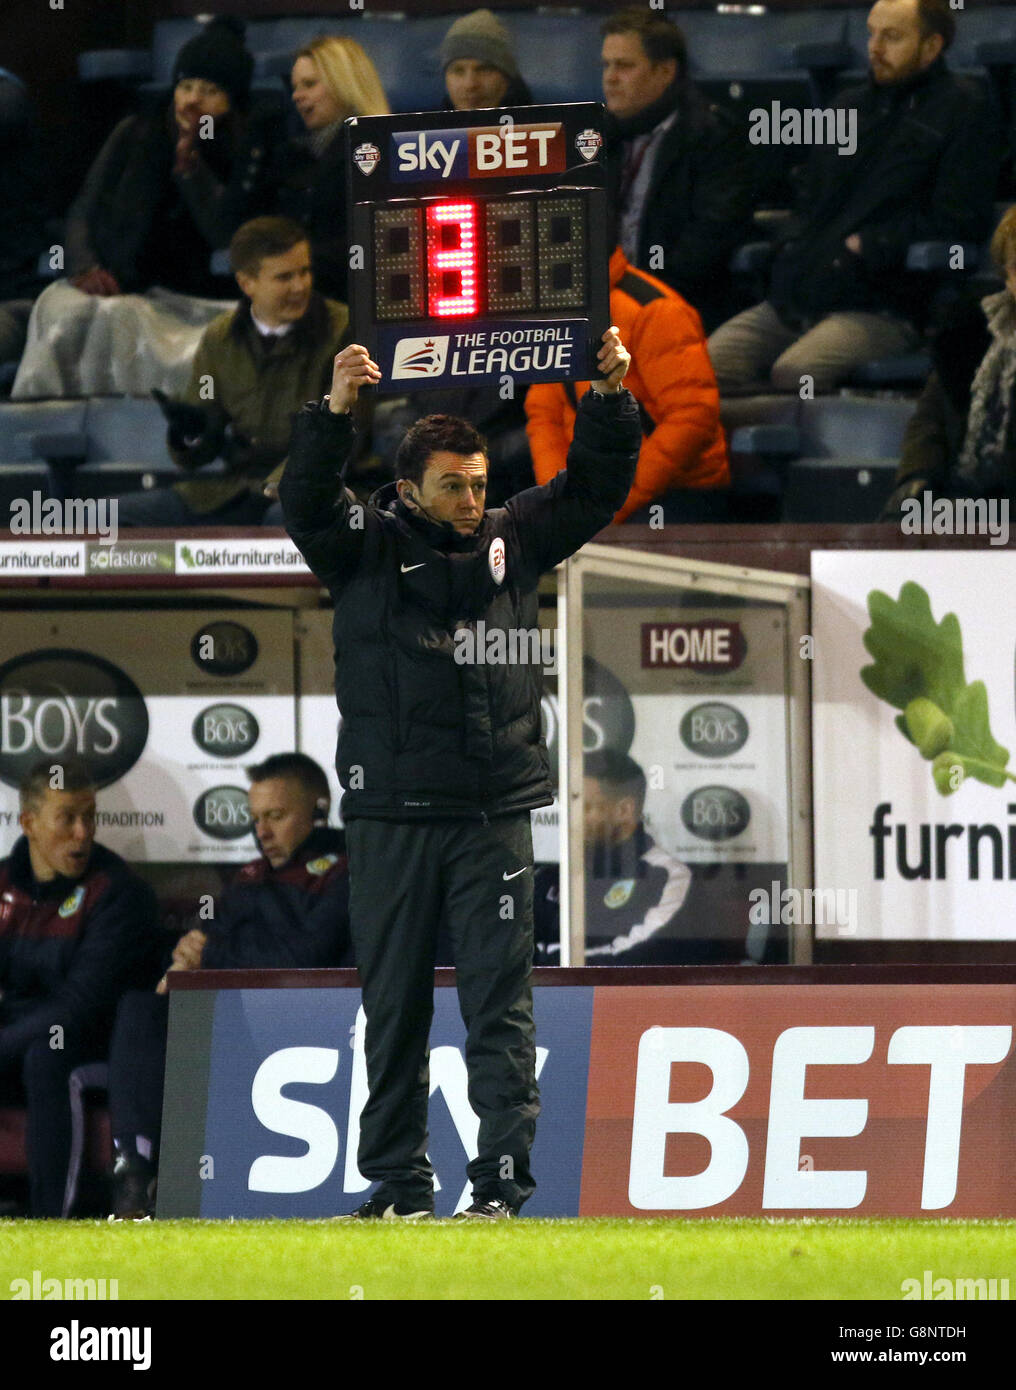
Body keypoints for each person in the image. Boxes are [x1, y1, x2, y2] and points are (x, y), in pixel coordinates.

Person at [280, 328, 640, 1219]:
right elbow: (303, 501)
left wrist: (608, 400)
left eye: (481, 483)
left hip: (493, 815)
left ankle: (501, 1188)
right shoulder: (358, 546)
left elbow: (598, 486)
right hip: (391, 815)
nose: (475, 500)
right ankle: (399, 1185)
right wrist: (333, 413)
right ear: (408, 489)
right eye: (454, 485)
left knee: (499, 1009)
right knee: (392, 1011)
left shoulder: (515, 538)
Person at [707, 0, 1004, 395]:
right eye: (872, 33)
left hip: (885, 305)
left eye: (892, 37)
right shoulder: (848, 105)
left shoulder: (965, 110)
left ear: (932, 46)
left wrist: (872, 245)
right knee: (701, 367)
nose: (875, 47)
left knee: (798, 373)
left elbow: (957, 221)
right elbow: (807, 202)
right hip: (799, 293)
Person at [107, 753, 353, 1220]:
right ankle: (134, 1172)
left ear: (317, 811)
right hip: (235, 1015)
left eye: (276, 816)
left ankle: (182, 1181)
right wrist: (183, 963)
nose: (262, 831)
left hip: (314, 1024)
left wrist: (212, 956)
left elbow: (304, 962)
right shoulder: (249, 876)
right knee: (142, 1009)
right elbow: (211, 939)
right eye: (256, 818)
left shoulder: (347, 869)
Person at [12, 18, 264, 398]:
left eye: (210, 91)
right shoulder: (135, 131)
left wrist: (192, 169)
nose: (192, 99)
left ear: (231, 104)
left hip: (185, 298)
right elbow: (84, 209)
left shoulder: (246, 152)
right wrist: (85, 267)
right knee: (65, 309)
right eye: (186, 85)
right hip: (114, 282)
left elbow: (225, 235)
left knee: (124, 320)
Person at [113, 216, 348, 527]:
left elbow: (339, 437)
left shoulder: (342, 330)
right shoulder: (219, 338)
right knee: (105, 516)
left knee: (284, 517)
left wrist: (275, 488)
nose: (300, 286)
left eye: (304, 272)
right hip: (234, 488)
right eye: (284, 277)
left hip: (311, 487)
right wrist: (189, 435)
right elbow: (200, 451)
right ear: (246, 283)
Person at [0, 761, 160, 1217]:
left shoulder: (116, 891)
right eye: (67, 817)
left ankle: (55, 1221)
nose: (82, 832)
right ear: (29, 823)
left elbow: (81, 1005)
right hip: (17, 1033)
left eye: (90, 816)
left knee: (47, 1057)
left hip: (94, 1040)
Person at [525, 245, 728, 521]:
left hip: (679, 490)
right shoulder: (559, 310)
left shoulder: (654, 310)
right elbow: (544, 414)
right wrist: (560, 504)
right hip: (596, 493)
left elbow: (693, 417)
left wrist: (614, 501)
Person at [600, 8, 755, 333]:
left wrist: (643, 296)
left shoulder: (713, 136)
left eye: (625, 66)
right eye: (606, 64)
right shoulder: (599, 137)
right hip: (604, 303)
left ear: (665, 71)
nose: (610, 77)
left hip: (675, 304)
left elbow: (710, 239)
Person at [884, 205, 1016, 512]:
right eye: (1015, 265)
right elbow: (930, 419)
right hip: (962, 505)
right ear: (1005, 275)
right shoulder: (970, 334)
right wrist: (918, 476)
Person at [533, 751, 694, 965]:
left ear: (624, 810)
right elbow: (510, 948)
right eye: (567, 804)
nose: (570, 816)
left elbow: (634, 959)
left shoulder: (668, 876)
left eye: (583, 805)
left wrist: (543, 961)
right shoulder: (550, 876)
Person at [262, 36, 390, 304]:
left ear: (345, 83)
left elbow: (377, 246)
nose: (297, 96)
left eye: (309, 84)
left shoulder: (380, 152)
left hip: (354, 305)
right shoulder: (292, 154)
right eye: (295, 87)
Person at [440, 9, 534, 110]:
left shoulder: (543, 124)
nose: (470, 84)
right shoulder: (427, 124)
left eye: (484, 70)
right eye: (458, 70)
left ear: (507, 78)